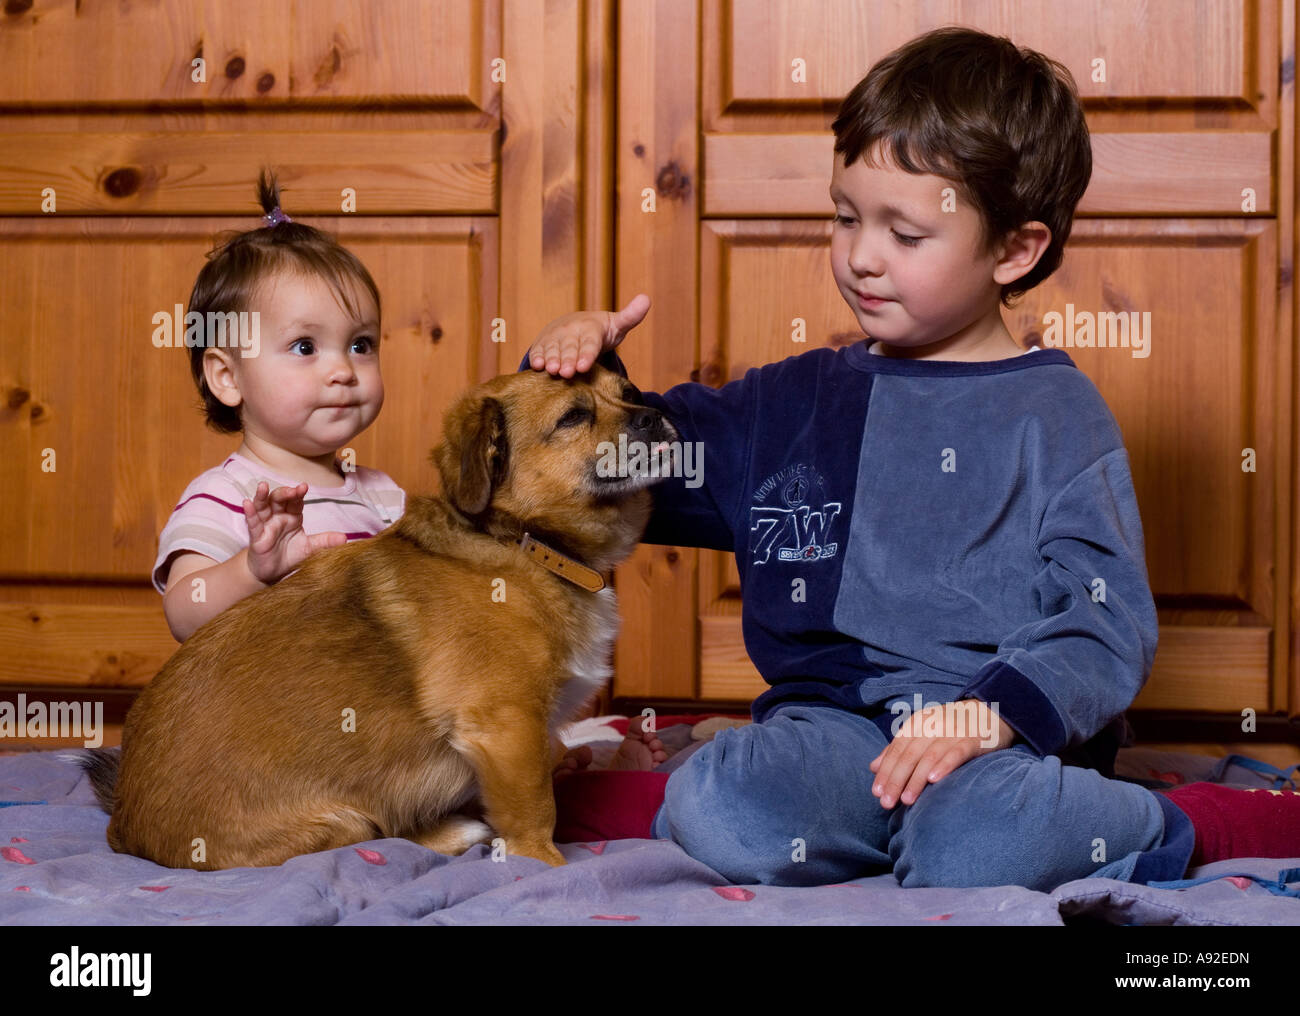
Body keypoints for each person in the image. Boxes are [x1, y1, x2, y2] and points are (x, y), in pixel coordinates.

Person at [526, 27, 1300, 888]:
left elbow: (1104, 622)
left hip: (989, 750)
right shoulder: (791, 400)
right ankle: (816, 822)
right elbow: (627, 476)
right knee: (726, 805)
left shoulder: (1058, 417)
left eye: (906, 234)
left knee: (974, 844)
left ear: (1015, 250)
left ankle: (1190, 824)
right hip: (835, 732)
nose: (861, 257)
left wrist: (989, 718)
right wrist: (579, 372)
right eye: (847, 217)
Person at [152, 170, 404, 642]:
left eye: (361, 344)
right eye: (305, 347)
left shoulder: (386, 500)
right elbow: (184, 614)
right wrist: (253, 570)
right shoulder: (226, 496)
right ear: (227, 378)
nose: (344, 371)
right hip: (269, 712)